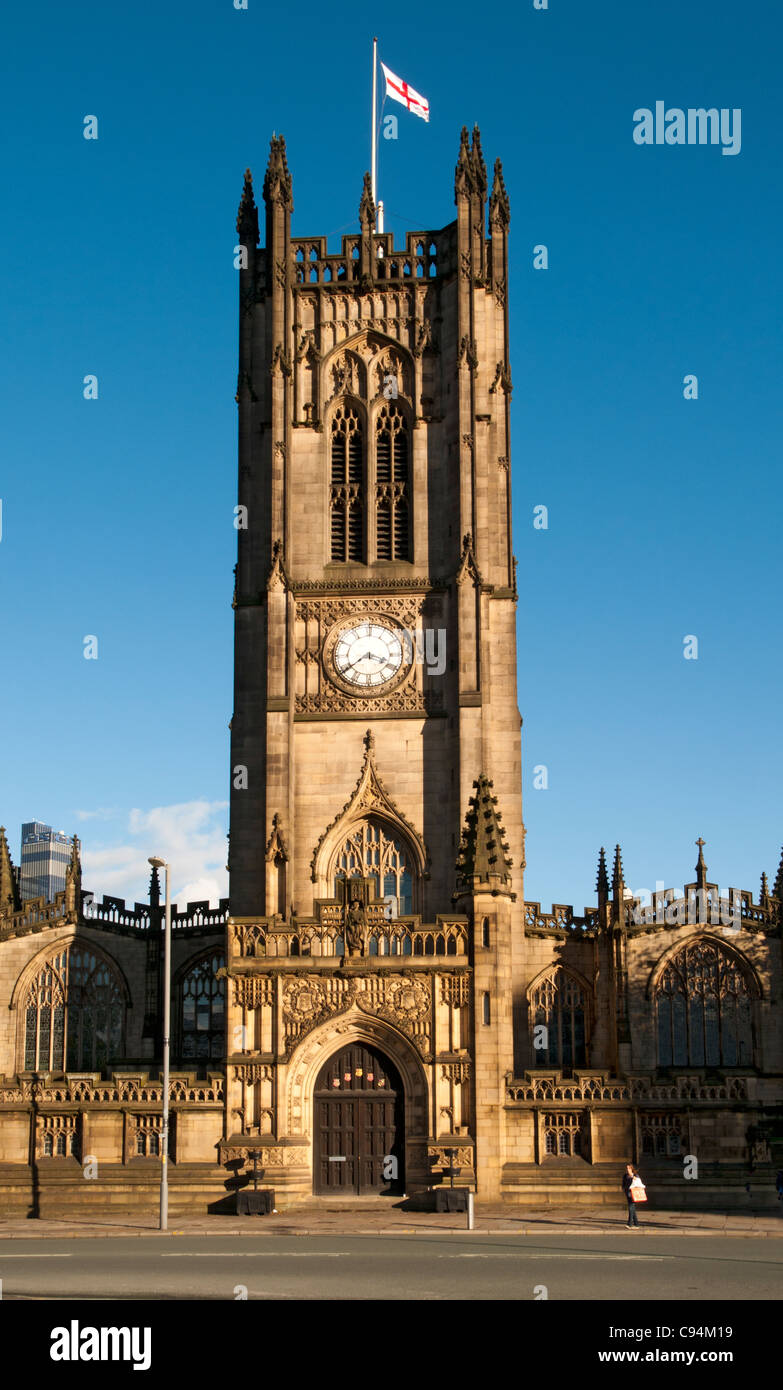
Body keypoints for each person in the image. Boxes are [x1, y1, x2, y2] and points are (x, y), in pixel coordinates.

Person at [622, 1162, 643, 1227]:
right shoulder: (625, 1175)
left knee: (631, 1207)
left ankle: (630, 1223)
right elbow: (623, 1183)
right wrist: (623, 1188)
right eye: (627, 1168)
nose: (627, 1169)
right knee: (632, 1208)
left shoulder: (635, 1175)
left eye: (629, 1168)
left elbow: (639, 1184)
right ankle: (636, 1224)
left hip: (633, 1193)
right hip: (627, 1193)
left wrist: (634, 1179)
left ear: (631, 1168)